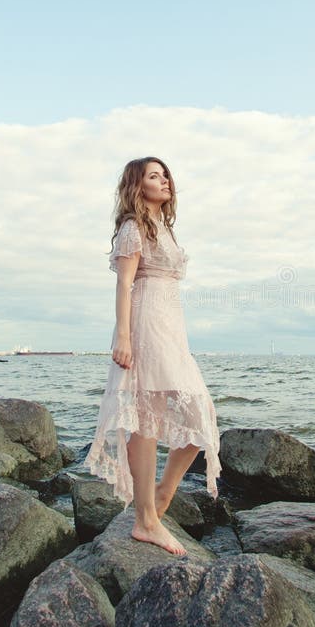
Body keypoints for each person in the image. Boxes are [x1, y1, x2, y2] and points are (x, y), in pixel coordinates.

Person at [83, 156, 222, 555]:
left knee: (202, 415)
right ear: (136, 185)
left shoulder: (164, 227)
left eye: (166, 175)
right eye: (154, 176)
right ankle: (146, 520)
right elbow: (124, 285)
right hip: (143, 324)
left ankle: (161, 495)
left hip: (171, 329)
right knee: (143, 417)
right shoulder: (132, 228)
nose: (165, 181)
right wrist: (123, 337)